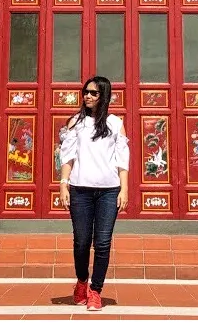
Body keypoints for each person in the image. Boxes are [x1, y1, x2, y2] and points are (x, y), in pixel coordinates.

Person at [59, 75, 129, 312]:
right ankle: (81, 281)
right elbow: (67, 156)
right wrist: (63, 183)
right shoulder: (75, 123)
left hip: (109, 191)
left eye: (93, 93)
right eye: (86, 92)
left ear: (104, 96)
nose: (88, 96)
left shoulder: (115, 124)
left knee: (103, 243)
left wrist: (124, 189)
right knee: (81, 242)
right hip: (80, 190)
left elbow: (122, 160)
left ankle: (96, 291)